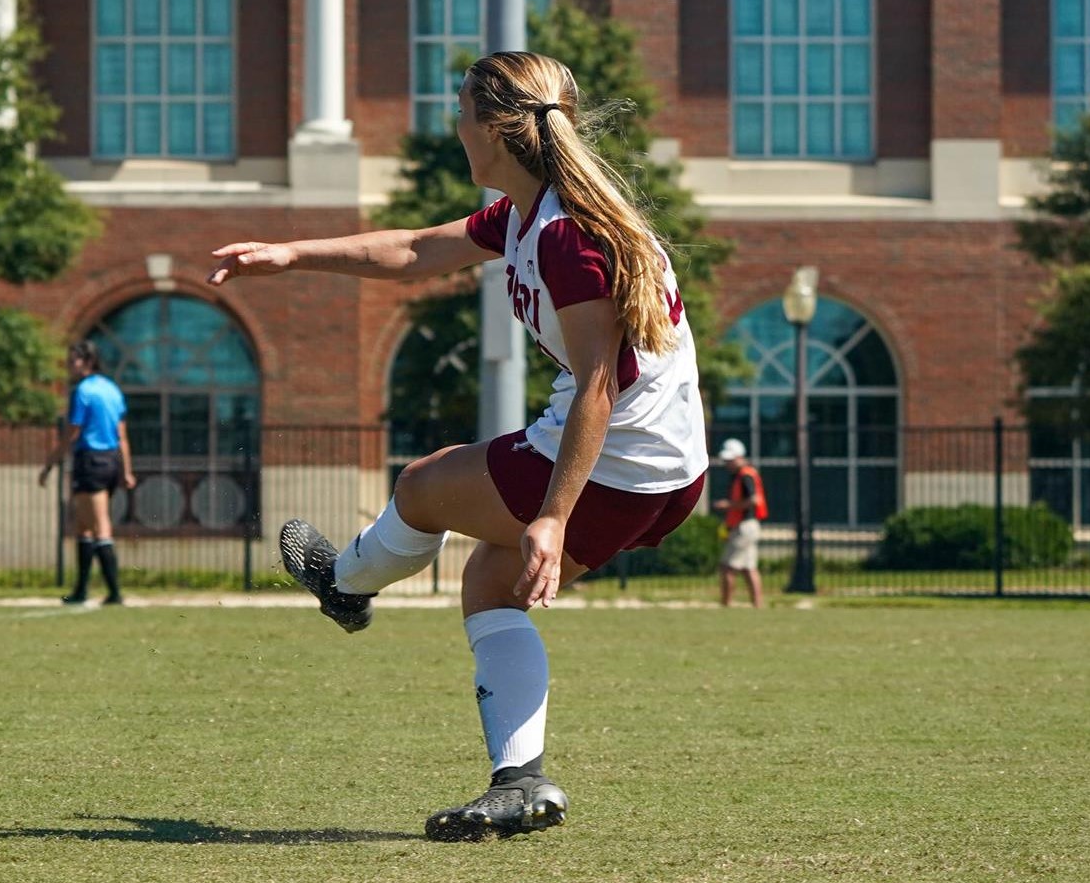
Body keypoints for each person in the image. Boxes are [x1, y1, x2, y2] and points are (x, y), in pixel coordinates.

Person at [207, 51, 708, 841]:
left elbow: (597, 387)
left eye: (461, 109)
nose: (453, 124)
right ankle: (519, 784)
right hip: (667, 471)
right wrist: (291, 255)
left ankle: (344, 584)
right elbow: (413, 251)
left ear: (496, 130)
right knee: (490, 583)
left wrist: (551, 517)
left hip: (615, 462)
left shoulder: (563, 236)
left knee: (422, 486)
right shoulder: (532, 213)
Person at [38, 341, 136, 606]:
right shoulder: (112, 389)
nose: (69, 367)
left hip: (90, 460)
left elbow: (72, 432)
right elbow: (122, 435)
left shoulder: (82, 391)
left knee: (100, 525)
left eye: (73, 361)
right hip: (111, 461)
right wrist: (126, 470)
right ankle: (81, 591)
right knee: (82, 526)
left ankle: (115, 593)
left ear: (88, 362)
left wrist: (49, 464)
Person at [711, 438, 767, 608]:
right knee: (749, 568)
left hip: (745, 526)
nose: (727, 463)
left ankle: (725, 605)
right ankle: (758, 605)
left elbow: (754, 500)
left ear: (740, 457)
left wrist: (728, 505)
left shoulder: (745, 476)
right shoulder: (740, 475)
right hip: (747, 525)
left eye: (730, 460)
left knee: (727, 566)